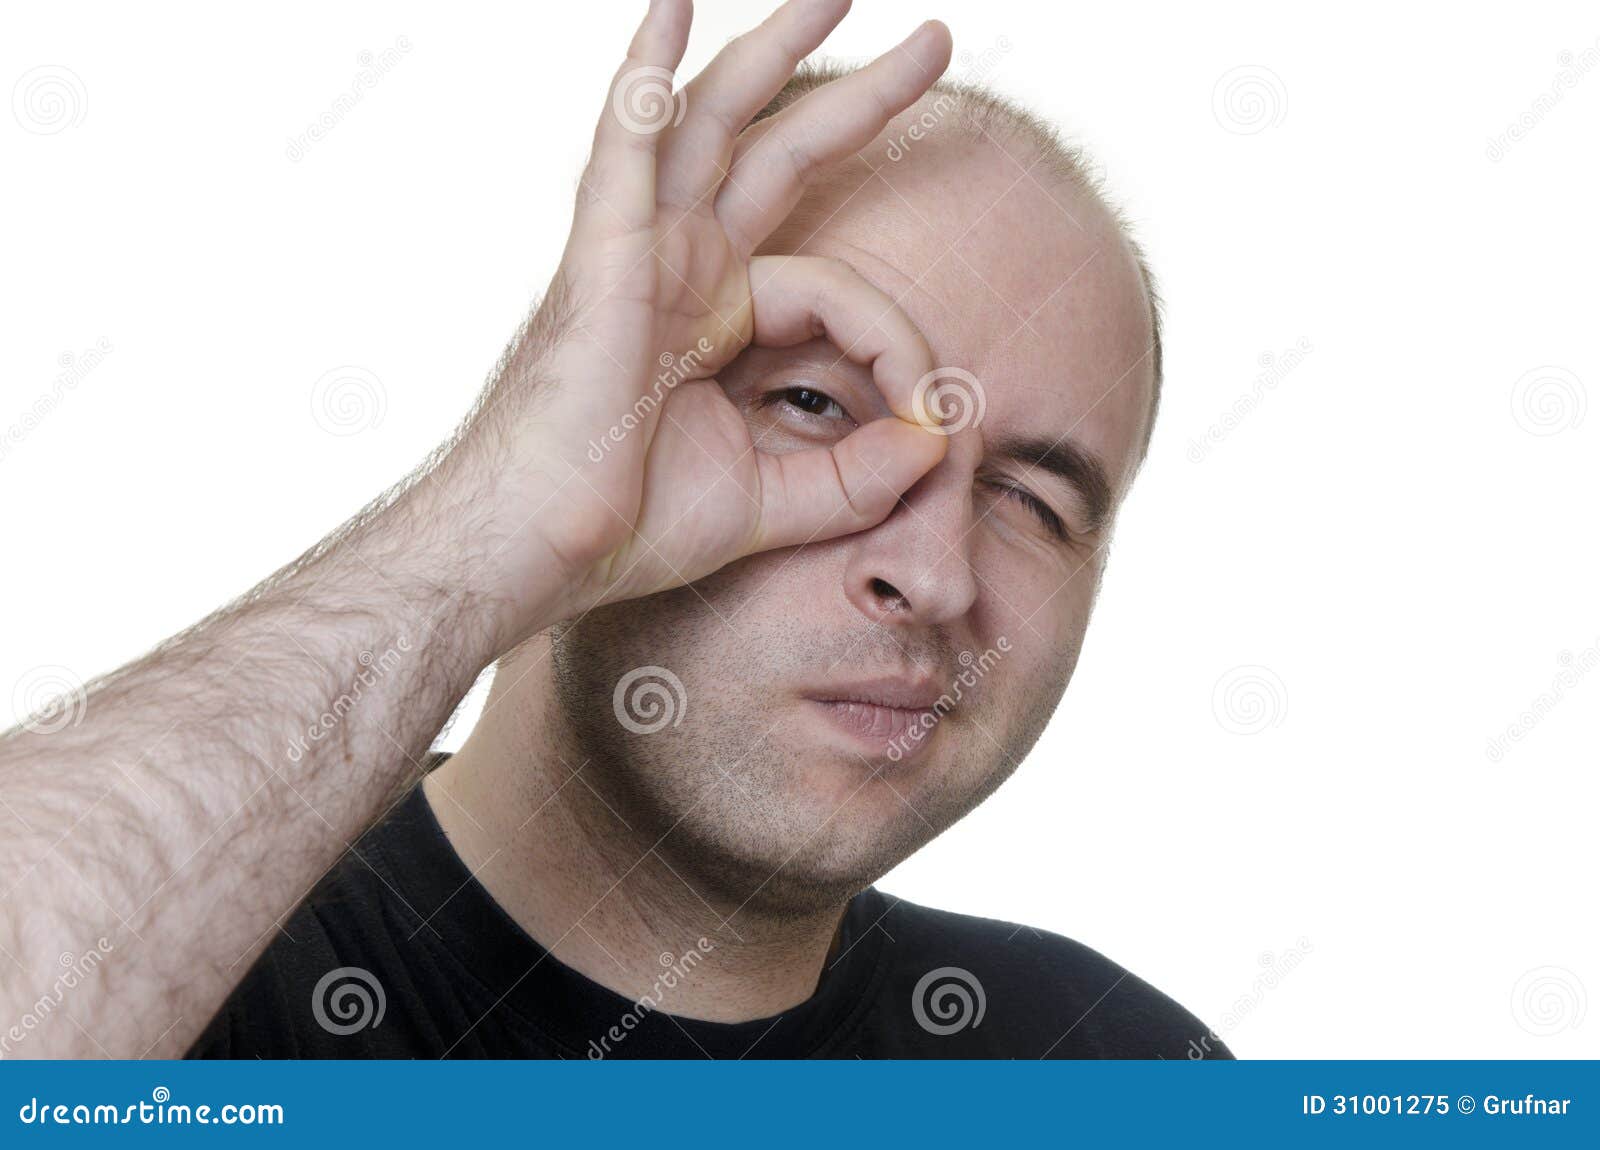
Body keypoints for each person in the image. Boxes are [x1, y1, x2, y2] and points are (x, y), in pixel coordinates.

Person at [0, 0, 1229, 1060]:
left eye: (1030, 500)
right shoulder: (179, 987)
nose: (934, 573)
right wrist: (497, 517)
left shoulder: (1113, 1065)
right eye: (810, 403)